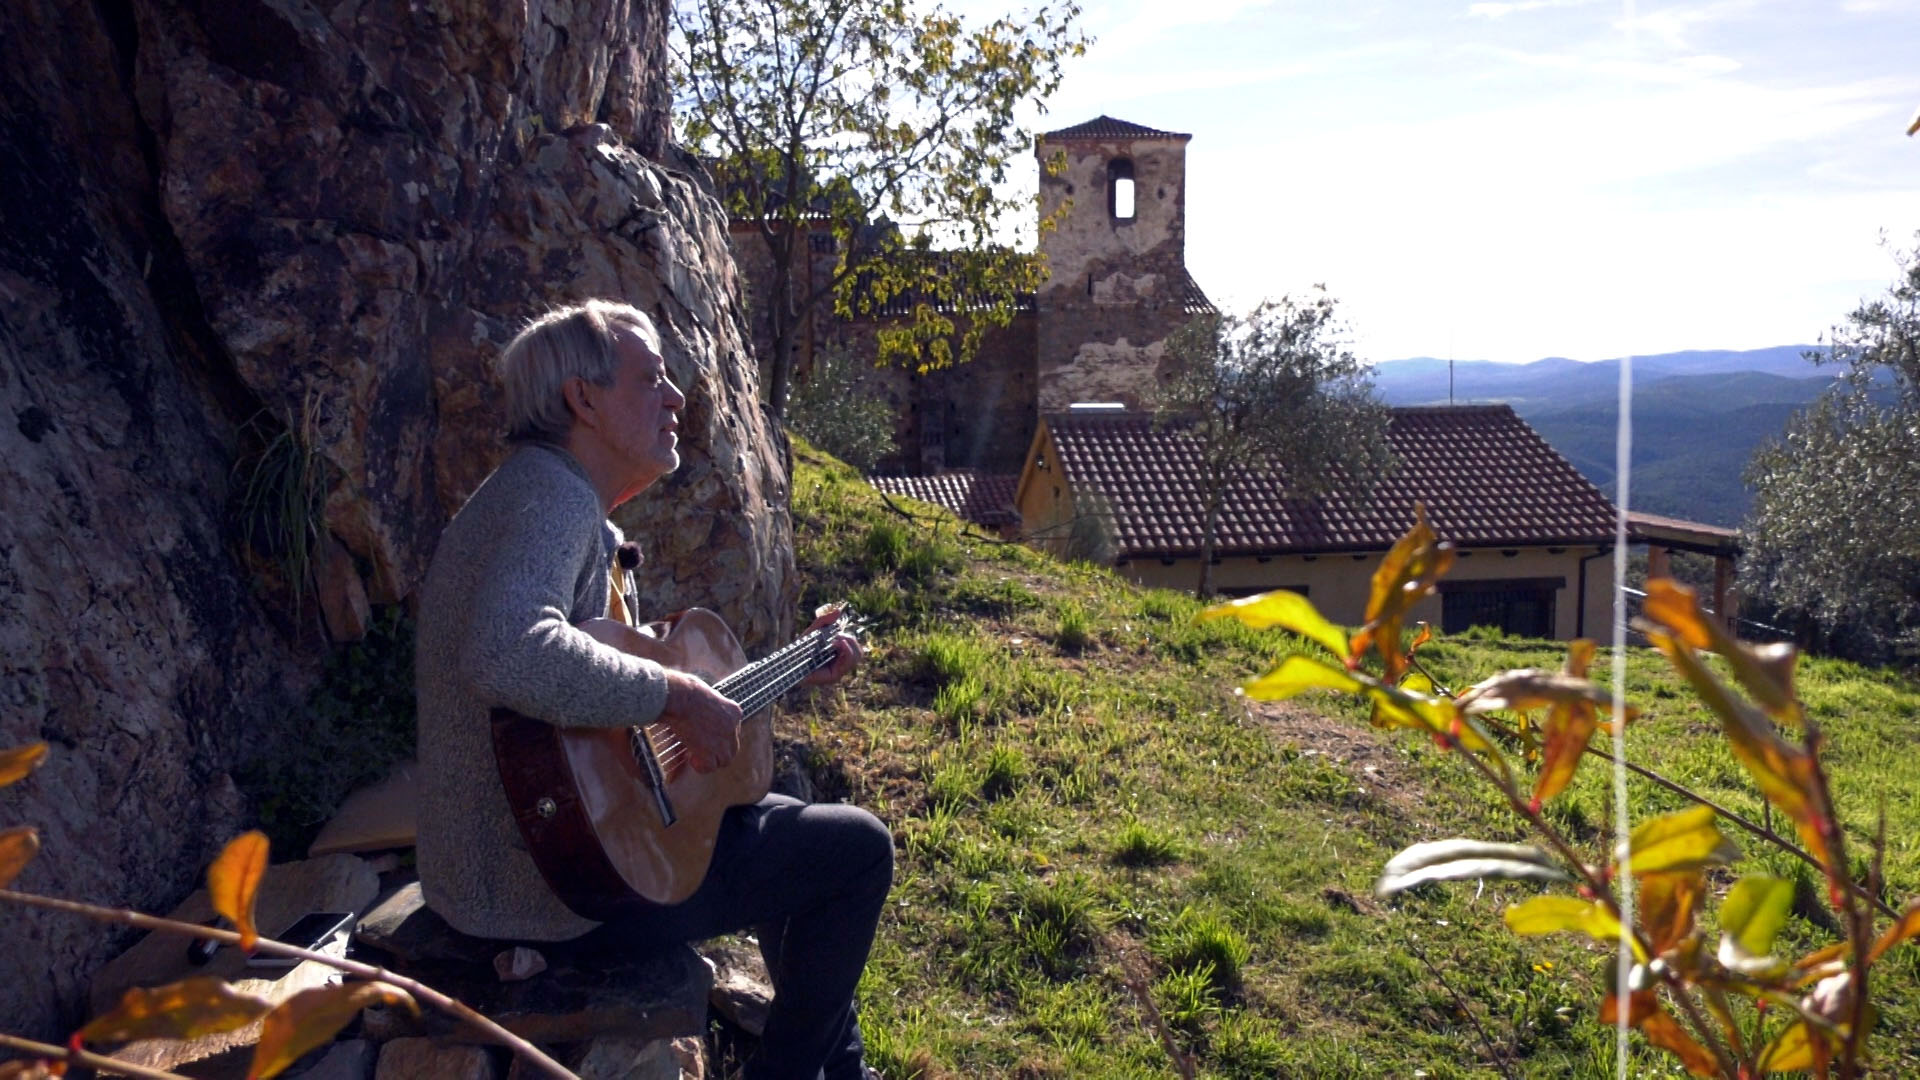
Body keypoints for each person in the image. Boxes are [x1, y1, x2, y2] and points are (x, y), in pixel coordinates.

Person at [415, 299, 892, 1080]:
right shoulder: (547, 497)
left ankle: (837, 1071)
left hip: (550, 862)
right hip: (541, 892)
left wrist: (794, 666)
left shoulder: (556, 503)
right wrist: (674, 695)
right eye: (652, 378)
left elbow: (600, 717)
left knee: (787, 809)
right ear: (584, 398)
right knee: (859, 851)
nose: (676, 398)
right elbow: (507, 650)